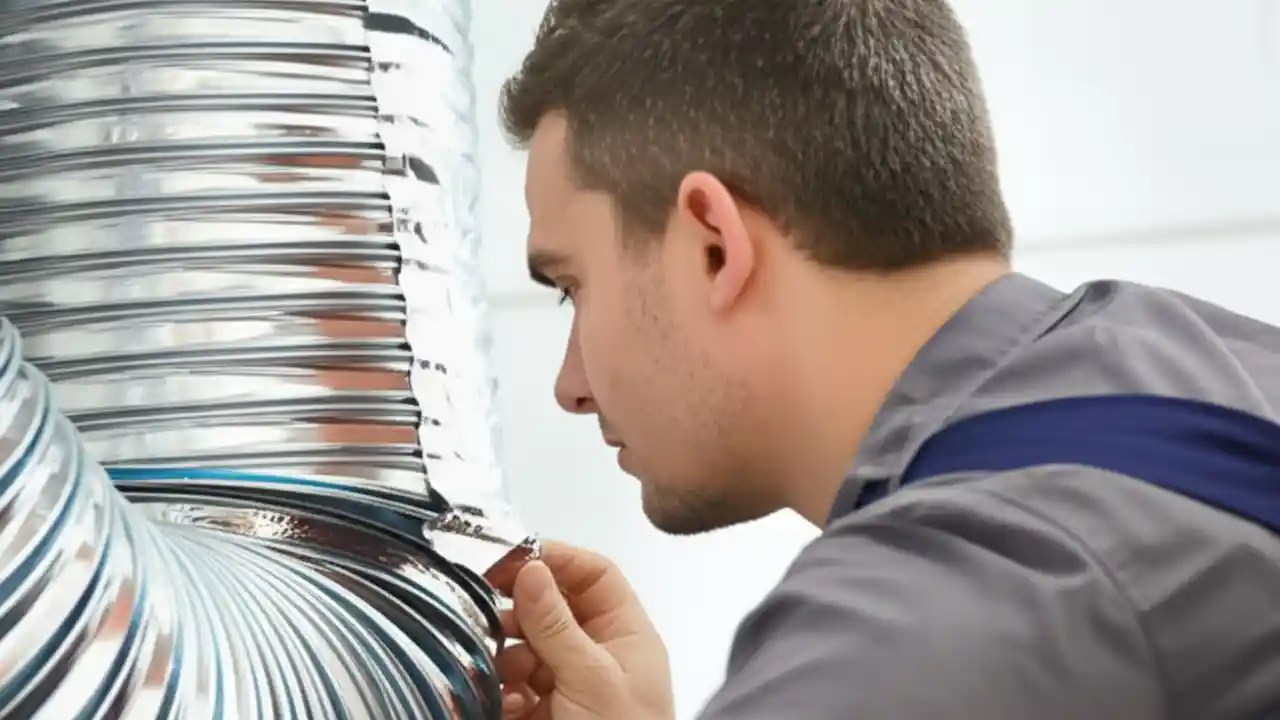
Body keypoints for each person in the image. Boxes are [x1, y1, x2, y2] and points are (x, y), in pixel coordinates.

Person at [488, 1, 1280, 718]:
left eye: (571, 287)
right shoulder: (1225, 372)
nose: (571, 388)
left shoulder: (922, 623)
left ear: (713, 247)